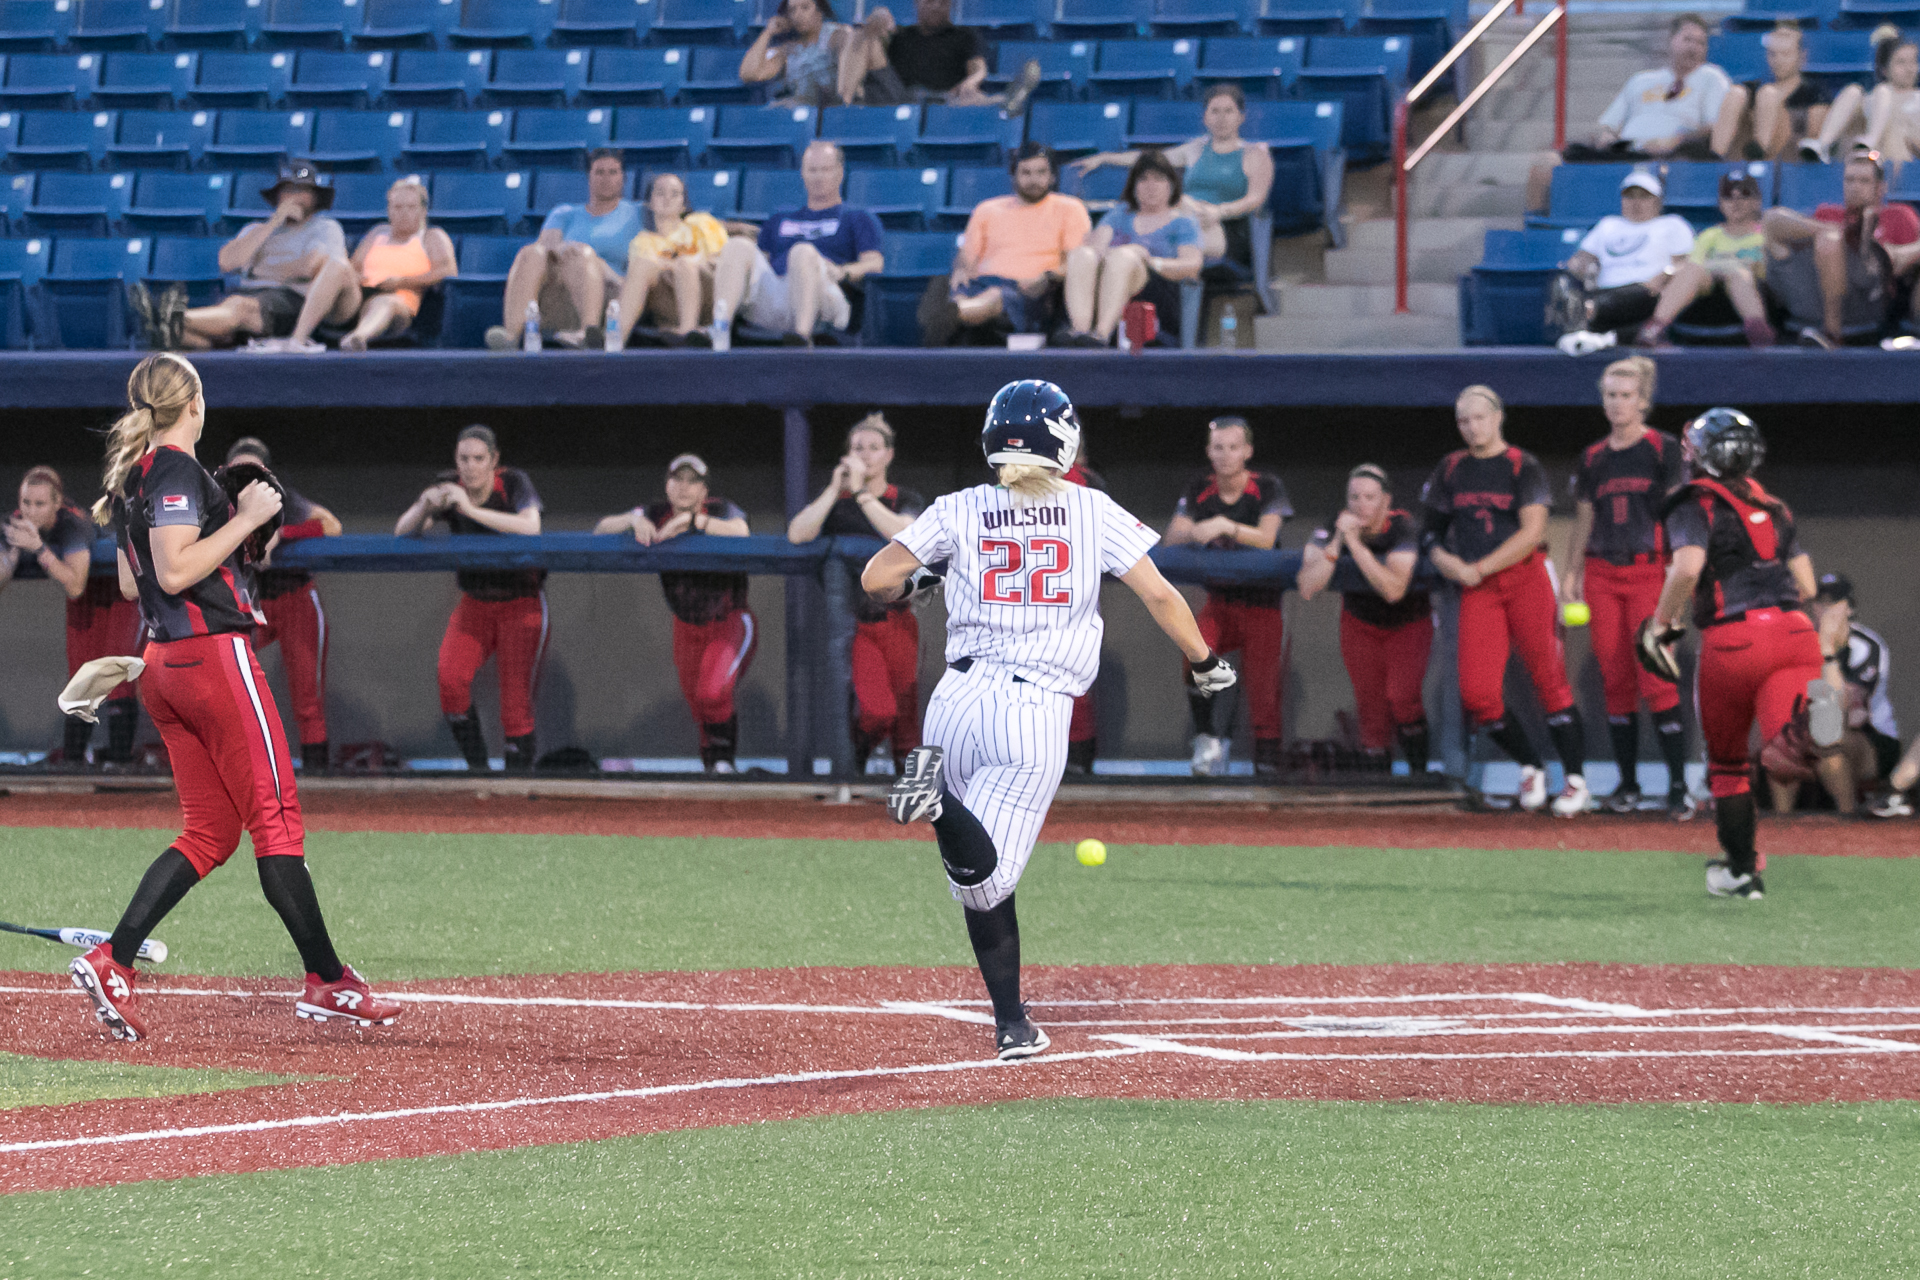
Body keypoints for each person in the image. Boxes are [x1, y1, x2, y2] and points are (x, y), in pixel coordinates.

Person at [862, 379, 1236, 1060]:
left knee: (976, 888)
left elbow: (875, 580)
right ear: (1062, 441)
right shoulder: (1091, 509)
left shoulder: (960, 506)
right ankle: (937, 804)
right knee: (990, 877)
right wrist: (1205, 660)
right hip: (1031, 708)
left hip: (954, 701)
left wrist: (930, 579)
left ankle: (1012, 1024)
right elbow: (1157, 593)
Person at [70, 353, 400, 1043]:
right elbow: (175, 566)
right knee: (276, 824)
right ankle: (328, 981)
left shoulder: (136, 476)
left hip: (164, 663)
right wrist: (247, 516)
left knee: (210, 834)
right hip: (214, 660)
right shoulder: (175, 470)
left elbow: (137, 587)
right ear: (190, 402)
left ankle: (114, 958)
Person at [1642, 407, 1850, 898]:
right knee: (1794, 748)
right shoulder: (1774, 506)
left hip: (1734, 640)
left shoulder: (1692, 503)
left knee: (1729, 766)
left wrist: (1660, 624)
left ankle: (1741, 872)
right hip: (1795, 633)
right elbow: (1803, 582)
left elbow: (1688, 569)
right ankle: (1805, 731)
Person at [1423, 385, 1590, 817]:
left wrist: (1481, 567)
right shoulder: (1451, 467)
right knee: (1478, 693)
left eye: (1479, 418)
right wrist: (1450, 564)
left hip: (1524, 577)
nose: (1471, 427)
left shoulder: (1522, 465)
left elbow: (1532, 531)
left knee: (1550, 681)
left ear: (1498, 418)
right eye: (1463, 420)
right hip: (1476, 585)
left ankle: (1575, 780)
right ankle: (1530, 765)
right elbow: (1431, 535)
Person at [1561, 358, 1692, 817]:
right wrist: (1571, 573)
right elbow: (1585, 517)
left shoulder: (1664, 448)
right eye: (1610, 395)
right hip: (1601, 572)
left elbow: (1681, 513)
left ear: (1644, 400)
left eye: (1626, 395)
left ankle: (1679, 787)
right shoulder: (1594, 457)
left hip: (1650, 572)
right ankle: (1629, 784)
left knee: (1657, 677)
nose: (1617, 404)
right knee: (1614, 679)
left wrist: (1680, 579)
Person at [395, 425, 546, 773]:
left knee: (514, 705)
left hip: (520, 601)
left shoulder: (513, 482)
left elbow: (530, 527)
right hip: (475, 602)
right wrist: (424, 506)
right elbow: (403, 531)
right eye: (464, 458)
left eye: (479, 459)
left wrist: (468, 510)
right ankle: (478, 772)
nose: (470, 467)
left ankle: (516, 786)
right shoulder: (450, 485)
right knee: (451, 679)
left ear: (493, 460)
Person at [595, 454, 754, 773]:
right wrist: (633, 520)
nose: (683, 488)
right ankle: (713, 767)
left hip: (728, 619)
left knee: (712, 692)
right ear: (667, 485)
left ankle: (724, 763)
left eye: (692, 481)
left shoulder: (720, 509)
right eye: (677, 480)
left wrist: (696, 522)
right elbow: (600, 529)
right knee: (698, 703)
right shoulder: (655, 513)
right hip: (685, 624)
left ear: (704, 489)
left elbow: (741, 532)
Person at [787, 414, 925, 769]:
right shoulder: (839, 502)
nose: (864, 455)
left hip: (900, 620)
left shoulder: (904, 497)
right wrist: (836, 489)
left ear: (888, 455)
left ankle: (900, 792)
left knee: (906, 721)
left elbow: (903, 534)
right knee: (878, 711)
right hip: (858, 624)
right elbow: (798, 534)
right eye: (857, 447)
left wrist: (862, 492)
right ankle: (857, 762)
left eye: (873, 448)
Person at [1161, 416, 1290, 778]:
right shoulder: (1201, 486)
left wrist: (1225, 526)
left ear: (1247, 451)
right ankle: (1206, 736)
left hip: (1263, 603)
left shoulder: (1267, 486)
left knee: (1263, 693)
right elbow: (1173, 536)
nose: (1226, 455)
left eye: (1234, 447)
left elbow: (1266, 537)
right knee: (1196, 652)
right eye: (1218, 447)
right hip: (1220, 600)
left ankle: (1267, 768)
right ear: (1208, 451)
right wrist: (1193, 529)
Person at [0, 466, 142, 768]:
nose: (31, 511)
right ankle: (73, 761)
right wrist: (11, 554)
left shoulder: (71, 524)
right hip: (88, 595)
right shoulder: (17, 524)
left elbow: (75, 585)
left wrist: (38, 548)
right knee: (81, 674)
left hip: (118, 591)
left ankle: (120, 762)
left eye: (40, 504)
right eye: (26, 503)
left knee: (117, 672)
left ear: (57, 503)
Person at [1295, 464, 1433, 775]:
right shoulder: (1334, 526)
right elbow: (1307, 586)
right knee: (1371, 709)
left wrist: (1355, 545)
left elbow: (1394, 590)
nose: (1361, 505)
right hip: (1360, 623)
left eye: (1370, 497)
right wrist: (1336, 544)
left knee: (1403, 698)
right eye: (1354, 497)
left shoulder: (1402, 527)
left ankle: (1419, 776)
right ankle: (1376, 789)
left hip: (1407, 623)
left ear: (1386, 500)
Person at [1526, 14, 1729, 211]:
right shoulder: (1641, 80)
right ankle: (1537, 228)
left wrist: (1674, 140)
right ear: (1670, 41)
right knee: (1546, 162)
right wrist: (1605, 136)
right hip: (1626, 148)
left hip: (1674, 152)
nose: (1693, 47)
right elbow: (1608, 125)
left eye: (1700, 43)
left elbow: (1713, 126)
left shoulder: (1711, 78)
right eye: (1687, 40)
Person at [223, 438, 339, 775]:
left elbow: (331, 526)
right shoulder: (219, 501)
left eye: (253, 471)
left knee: (307, 698)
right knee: (229, 685)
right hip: (249, 602)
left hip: (295, 598)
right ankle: (236, 770)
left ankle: (318, 781)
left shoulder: (281, 496)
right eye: (238, 472)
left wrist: (282, 533)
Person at [1069, 84, 1276, 270]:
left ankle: (1130, 249)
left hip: (1229, 228)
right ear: (1205, 117)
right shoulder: (1195, 148)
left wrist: (1219, 211)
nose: (1221, 118)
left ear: (1241, 116)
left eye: (1228, 111)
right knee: (1165, 209)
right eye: (1215, 111)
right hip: (1189, 217)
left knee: (1176, 210)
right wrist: (1106, 157)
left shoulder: (1255, 154)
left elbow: (1255, 199)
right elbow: (1150, 159)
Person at [143, 165, 349, 352]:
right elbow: (227, 261)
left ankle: (169, 316)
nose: (294, 197)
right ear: (278, 196)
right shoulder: (256, 230)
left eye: (302, 190)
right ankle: (173, 324)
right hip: (245, 296)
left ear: (315, 196)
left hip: (287, 300)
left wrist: (259, 268)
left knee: (239, 308)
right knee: (191, 337)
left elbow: (311, 267)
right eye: (288, 190)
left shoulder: (326, 228)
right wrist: (274, 221)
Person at [713, 142, 884, 346]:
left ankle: (802, 337)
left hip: (825, 293)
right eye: (812, 170)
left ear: (840, 173)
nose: (818, 177)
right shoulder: (780, 219)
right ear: (802, 173)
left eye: (825, 170)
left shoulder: (857, 217)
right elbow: (757, 265)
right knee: (737, 245)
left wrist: (843, 271)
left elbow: (874, 262)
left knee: (802, 251)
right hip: (778, 296)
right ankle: (719, 330)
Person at [486, 150, 642, 351]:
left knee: (583, 255)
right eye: (599, 172)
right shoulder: (564, 213)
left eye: (613, 172)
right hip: (558, 291)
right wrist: (564, 248)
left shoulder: (636, 214)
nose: (606, 178)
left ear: (623, 178)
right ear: (589, 177)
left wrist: (597, 263)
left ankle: (589, 332)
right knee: (531, 253)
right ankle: (511, 336)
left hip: (610, 290)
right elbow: (547, 246)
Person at [1762, 151, 1920, 348]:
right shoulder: (1826, 212)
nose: (1855, 187)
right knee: (1772, 220)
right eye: (1850, 180)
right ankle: (1763, 331)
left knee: (1832, 240)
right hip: (1820, 289)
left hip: (1871, 294)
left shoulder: (1899, 215)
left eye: (1864, 181)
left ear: (1881, 187)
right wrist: (1842, 234)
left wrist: (1893, 254)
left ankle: (1831, 335)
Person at [280, 178, 457, 353]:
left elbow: (447, 270)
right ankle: (297, 339)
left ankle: (357, 338)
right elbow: (354, 266)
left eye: (410, 208)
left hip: (398, 299)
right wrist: (357, 277)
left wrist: (401, 282)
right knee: (337, 264)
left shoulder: (432, 237)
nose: (403, 213)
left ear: (423, 211)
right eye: (397, 207)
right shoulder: (378, 232)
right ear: (389, 210)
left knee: (385, 302)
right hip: (360, 294)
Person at [938, 143, 1090, 342]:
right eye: (1026, 173)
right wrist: (959, 274)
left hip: (1034, 291)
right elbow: (966, 257)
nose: (1033, 180)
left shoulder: (1070, 209)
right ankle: (957, 310)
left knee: (996, 296)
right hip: (983, 282)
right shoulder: (987, 209)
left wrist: (1047, 277)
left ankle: (953, 315)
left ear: (1052, 177)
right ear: (1014, 177)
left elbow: (1075, 264)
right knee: (944, 286)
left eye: (1040, 172)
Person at [1057, 150, 1203, 348]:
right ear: (1134, 186)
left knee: (1124, 256)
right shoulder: (1119, 215)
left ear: (1171, 185)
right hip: (1111, 278)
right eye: (1143, 179)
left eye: (1158, 179)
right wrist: (1114, 252)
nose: (1151, 186)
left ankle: (1101, 334)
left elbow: (1192, 265)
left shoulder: (1183, 223)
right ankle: (1080, 331)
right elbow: (1097, 247)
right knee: (1082, 254)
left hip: (1158, 286)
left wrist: (1150, 260)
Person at [1547, 169, 1695, 346]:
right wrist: (1576, 268)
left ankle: (1584, 318)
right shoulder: (1608, 225)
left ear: (1658, 201)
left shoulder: (1673, 224)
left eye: (1644, 197)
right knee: (1562, 283)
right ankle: (1585, 322)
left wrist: (1665, 275)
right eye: (1630, 196)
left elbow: (1684, 264)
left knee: (1609, 301)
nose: (1636, 203)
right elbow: (1582, 259)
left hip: (1648, 291)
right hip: (1605, 291)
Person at [1638, 169, 1774, 348]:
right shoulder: (1710, 235)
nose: (1736, 202)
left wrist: (1727, 265)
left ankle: (1759, 332)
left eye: (1744, 195)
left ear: (1757, 201)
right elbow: (1694, 264)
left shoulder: (1766, 233)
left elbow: (1768, 269)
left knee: (1738, 273)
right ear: (1720, 203)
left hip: (1753, 294)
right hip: (1707, 300)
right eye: (1728, 196)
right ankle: (1655, 328)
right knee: (1691, 270)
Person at [839, 0, 1040, 110]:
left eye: (942, 2)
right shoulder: (901, 36)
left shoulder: (965, 35)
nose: (936, 6)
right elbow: (875, 60)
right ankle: (844, 102)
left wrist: (970, 83)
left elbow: (978, 68)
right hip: (898, 95)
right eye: (930, 1)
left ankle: (1007, 101)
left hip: (945, 99)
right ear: (917, 2)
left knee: (974, 99)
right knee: (862, 35)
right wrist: (873, 25)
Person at [608, 173, 729, 350]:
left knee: (684, 264)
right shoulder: (642, 240)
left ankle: (688, 332)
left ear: (683, 204)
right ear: (649, 203)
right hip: (668, 301)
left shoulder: (701, 223)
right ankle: (614, 342)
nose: (667, 199)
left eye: (675, 194)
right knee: (642, 265)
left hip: (707, 294)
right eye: (660, 193)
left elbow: (722, 260)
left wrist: (683, 264)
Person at [1813, 572, 1901, 782]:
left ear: (1850, 608)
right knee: (1778, 749)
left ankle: (1849, 814)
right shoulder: (1803, 643)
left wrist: (1827, 649)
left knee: (1832, 744)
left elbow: (1852, 714)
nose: (1826, 610)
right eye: (1820, 602)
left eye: (1833, 602)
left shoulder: (1867, 645)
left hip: (1874, 737)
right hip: (1818, 733)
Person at [1799, 26, 1920, 165]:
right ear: (1885, 69)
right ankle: (1822, 145)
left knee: (1883, 92)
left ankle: (1871, 143)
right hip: (1862, 159)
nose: (1910, 69)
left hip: (1897, 161)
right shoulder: (1875, 98)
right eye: (1901, 62)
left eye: (1913, 61)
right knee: (1853, 91)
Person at [1711, 22, 1830, 161]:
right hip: (1743, 149)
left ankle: (1760, 156)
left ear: (1802, 56)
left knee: (1768, 95)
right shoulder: (1752, 88)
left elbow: (1813, 132)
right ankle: (1715, 159)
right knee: (1736, 93)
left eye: (1785, 54)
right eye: (1773, 54)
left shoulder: (1815, 92)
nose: (1778, 60)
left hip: (1789, 153)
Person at [1061, 441, 1106, 777]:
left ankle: (1079, 765)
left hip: (1076, 600)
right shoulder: (1011, 478)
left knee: (1075, 686)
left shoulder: (1089, 482)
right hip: (1020, 603)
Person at [739, 0, 851, 107]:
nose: (798, 15)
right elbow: (749, 73)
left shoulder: (837, 35)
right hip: (800, 116)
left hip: (833, 115)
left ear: (819, 11)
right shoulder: (786, 51)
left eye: (805, 7)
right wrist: (768, 32)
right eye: (792, 10)